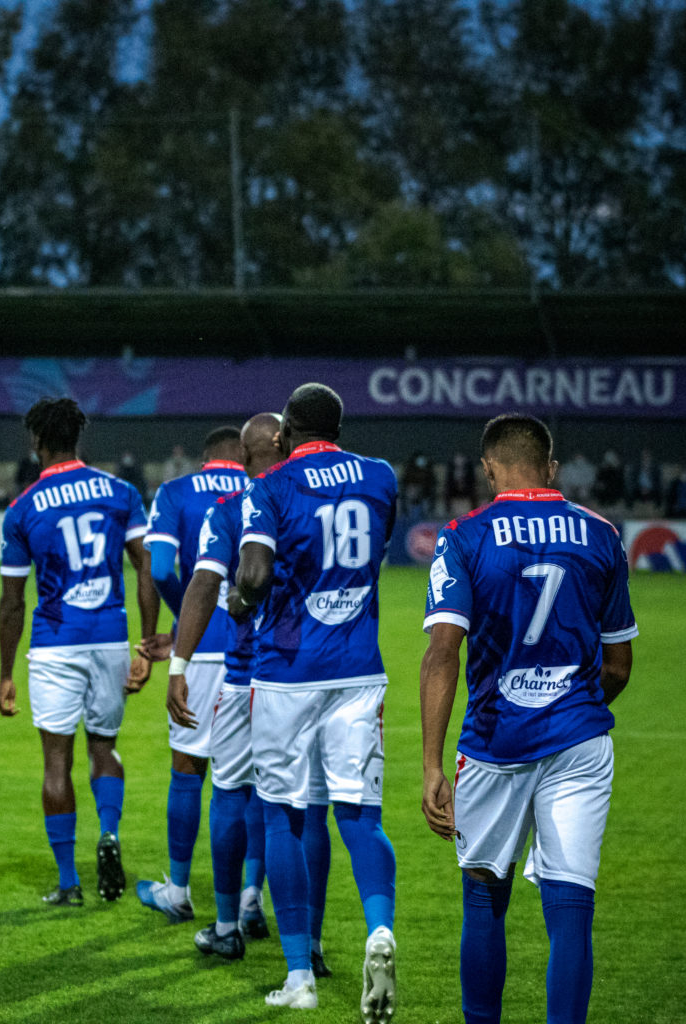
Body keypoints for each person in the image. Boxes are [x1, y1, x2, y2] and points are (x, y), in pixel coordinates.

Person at [419, 412, 636, 1024]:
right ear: (552, 468)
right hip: (579, 741)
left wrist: (434, 764)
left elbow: (442, 653)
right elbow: (618, 664)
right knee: (571, 909)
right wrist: (573, 706)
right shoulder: (601, 534)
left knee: (484, 898)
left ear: (488, 470)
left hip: (493, 742)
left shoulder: (464, 535)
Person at [235, 383, 399, 1018]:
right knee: (360, 815)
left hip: (288, 669)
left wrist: (242, 603)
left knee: (284, 814)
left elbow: (252, 573)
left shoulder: (271, 486)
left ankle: (299, 975)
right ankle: (379, 929)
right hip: (358, 669)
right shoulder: (380, 477)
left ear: (284, 431)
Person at [0, 397, 160, 907]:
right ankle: (108, 833)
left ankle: (69, 882)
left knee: (55, 763)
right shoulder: (120, 492)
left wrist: (5, 673)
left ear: (37, 443)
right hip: (110, 638)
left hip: (55, 644)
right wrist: (148, 643)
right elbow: (146, 567)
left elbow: (12, 601)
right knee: (103, 747)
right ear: (77, 439)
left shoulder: (23, 508)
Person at [166, 412, 283, 961]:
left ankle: (222, 917)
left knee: (221, 785)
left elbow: (182, 573)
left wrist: (176, 656)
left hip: (235, 669)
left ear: (242, 451)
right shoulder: (307, 499)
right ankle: (295, 934)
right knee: (288, 799)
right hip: (300, 673)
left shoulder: (219, 506)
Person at [134, 427, 248, 925]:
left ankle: (178, 890)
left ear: (205, 457)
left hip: (200, 652)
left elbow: (159, 568)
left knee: (188, 767)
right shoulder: (266, 488)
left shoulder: (176, 492)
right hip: (256, 648)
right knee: (251, 778)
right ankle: (251, 899)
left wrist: (187, 623)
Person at [400, 452, 437, 519]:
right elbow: (404, 482)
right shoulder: (409, 470)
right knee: (409, 492)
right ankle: (407, 515)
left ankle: (425, 515)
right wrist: (412, 489)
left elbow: (432, 483)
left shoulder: (428, 470)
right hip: (410, 493)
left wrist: (421, 489)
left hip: (425, 494)